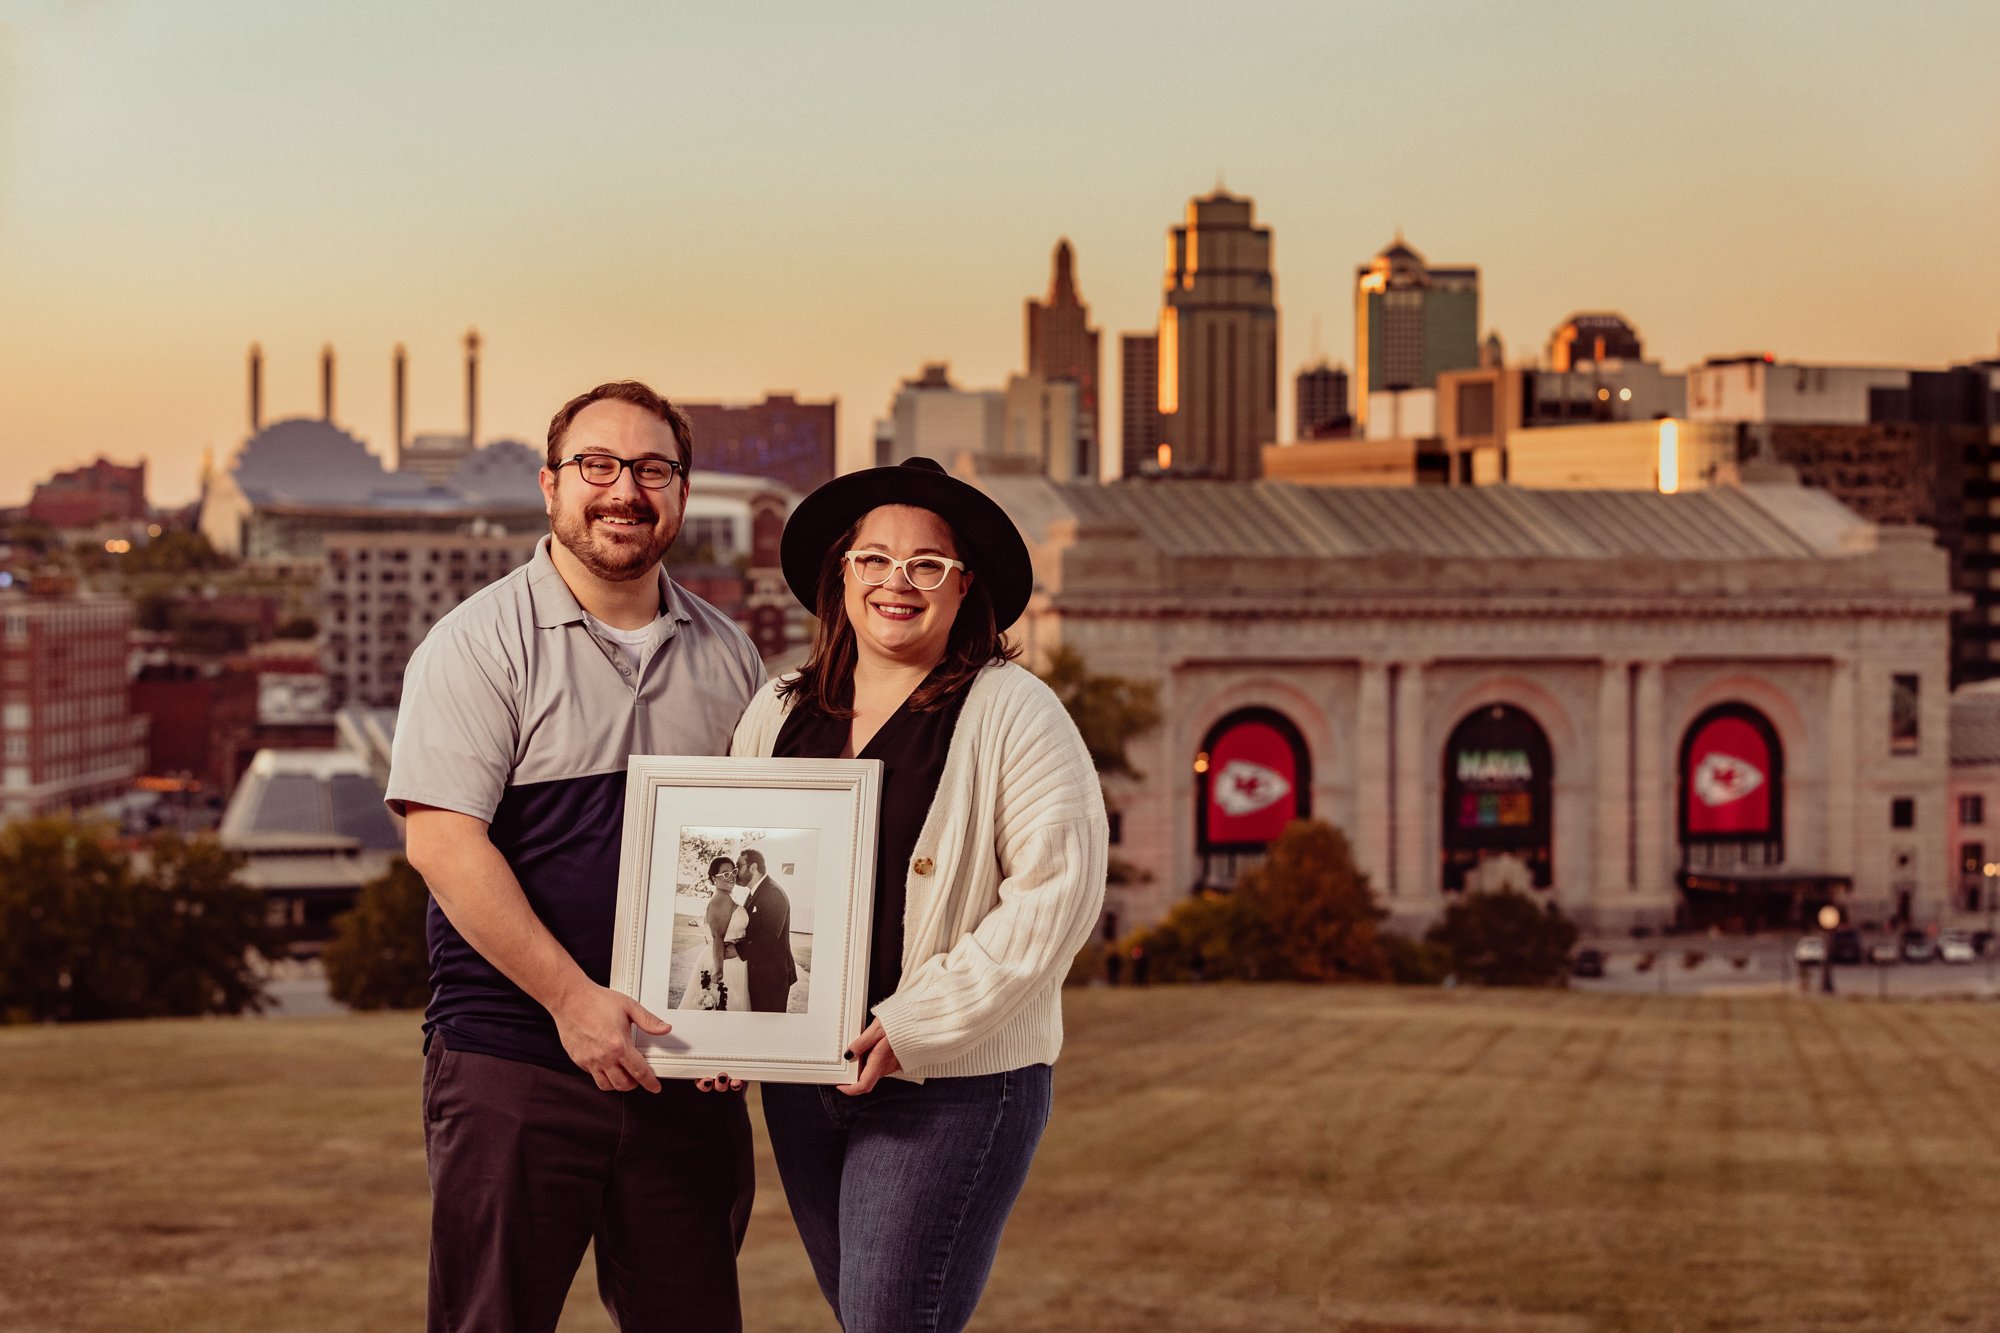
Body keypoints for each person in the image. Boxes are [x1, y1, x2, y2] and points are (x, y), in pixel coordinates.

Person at [385, 380, 765, 1333]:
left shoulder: (732, 659)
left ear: (681, 492)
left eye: (652, 469)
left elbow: (751, 850)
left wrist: (749, 1025)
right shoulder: (475, 646)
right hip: (515, 1064)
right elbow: (440, 840)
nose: (623, 490)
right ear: (550, 486)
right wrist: (571, 1001)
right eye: (597, 465)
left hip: (680, 1072)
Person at [732, 456, 1108, 1332]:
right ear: (842, 574)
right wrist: (728, 1028)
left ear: (962, 584)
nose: (896, 582)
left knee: (890, 1319)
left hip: (950, 1082)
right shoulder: (780, 710)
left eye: (926, 564)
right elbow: (737, 866)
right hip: (807, 1080)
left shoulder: (1014, 711)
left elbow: (1057, 894)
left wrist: (915, 1024)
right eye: (874, 559)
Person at [679, 856, 749, 1012]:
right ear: (713, 878)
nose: (731, 876)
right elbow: (718, 936)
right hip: (725, 962)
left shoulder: (727, 896)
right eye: (725, 873)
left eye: (733, 872)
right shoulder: (722, 899)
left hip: (731, 959)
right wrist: (719, 970)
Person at [733, 846, 796, 1013]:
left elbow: (769, 936)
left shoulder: (773, 893)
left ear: (753, 867)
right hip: (760, 973)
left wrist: (738, 950)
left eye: (738, 866)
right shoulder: (755, 892)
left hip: (772, 977)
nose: (735, 871)